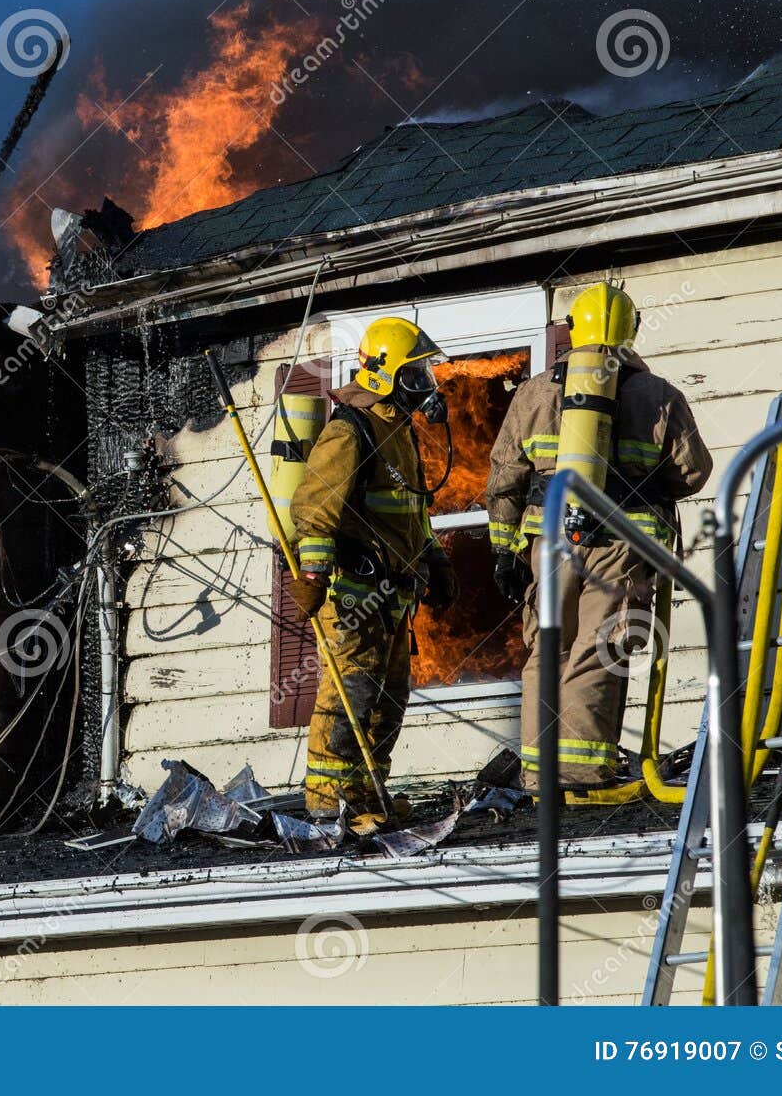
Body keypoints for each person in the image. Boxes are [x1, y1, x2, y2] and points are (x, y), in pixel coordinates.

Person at [485, 283, 712, 795]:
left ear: (573, 330)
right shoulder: (659, 395)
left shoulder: (534, 392)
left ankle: (540, 774)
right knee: (598, 649)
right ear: (631, 330)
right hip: (622, 544)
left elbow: (504, 479)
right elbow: (693, 472)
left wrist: (504, 551)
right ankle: (583, 775)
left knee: (549, 648)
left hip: (550, 540)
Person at [288, 316, 458, 832]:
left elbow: (410, 512)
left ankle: (367, 795)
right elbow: (314, 509)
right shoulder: (350, 430)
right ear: (386, 375)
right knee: (350, 697)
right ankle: (327, 805)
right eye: (416, 374)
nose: (425, 384)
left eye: (426, 373)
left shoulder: (399, 430)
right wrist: (312, 576)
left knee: (388, 702)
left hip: (393, 597)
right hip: (353, 594)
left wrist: (435, 558)